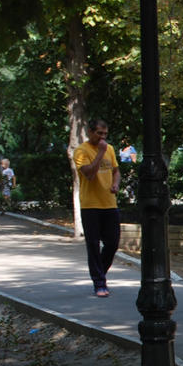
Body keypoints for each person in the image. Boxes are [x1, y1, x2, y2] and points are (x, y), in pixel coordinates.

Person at [73, 119, 121, 298]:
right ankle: (99, 283)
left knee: (112, 243)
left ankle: (99, 272)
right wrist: (100, 152)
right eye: (99, 133)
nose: (102, 137)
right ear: (90, 132)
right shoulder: (81, 151)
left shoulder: (110, 149)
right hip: (90, 205)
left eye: (105, 134)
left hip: (109, 203)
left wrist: (115, 184)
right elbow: (89, 174)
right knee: (93, 244)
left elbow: (116, 170)